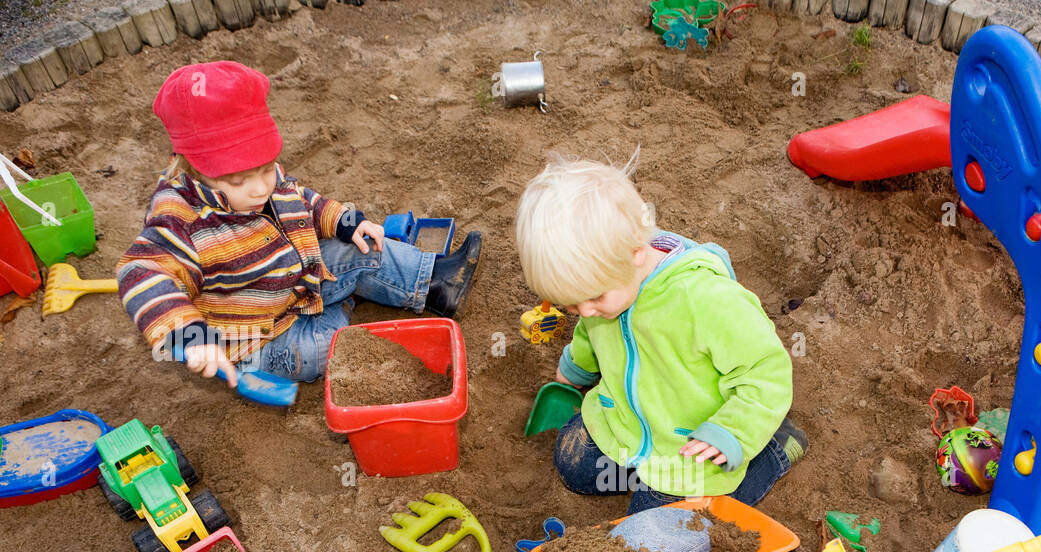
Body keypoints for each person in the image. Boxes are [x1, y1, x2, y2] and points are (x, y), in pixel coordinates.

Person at [117, 60, 481, 388]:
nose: (262, 186)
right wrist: (190, 337)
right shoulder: (179, 218)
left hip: (300, 276)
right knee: (321, 351)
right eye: (241, 180)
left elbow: (301, 198)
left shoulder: (264, 180)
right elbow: (140, 272)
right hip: (260, 335)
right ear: (193, 167)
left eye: (265, 168)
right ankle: (342, 308)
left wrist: (341, 220)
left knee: (364, 246)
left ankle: (436, 282)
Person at [515, 154, 806, 513]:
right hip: (626, 421)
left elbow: (767, 370)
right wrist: (577, 367)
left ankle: (772, 450)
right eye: (571, 306)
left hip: (692, 442)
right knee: (574, 466)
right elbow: (592, 329)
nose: (584, 312)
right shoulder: (606, 289)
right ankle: (647, 474)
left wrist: (732, 433)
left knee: (654, 524)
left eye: (591, 299)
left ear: (637, 253)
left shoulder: (705, 300)